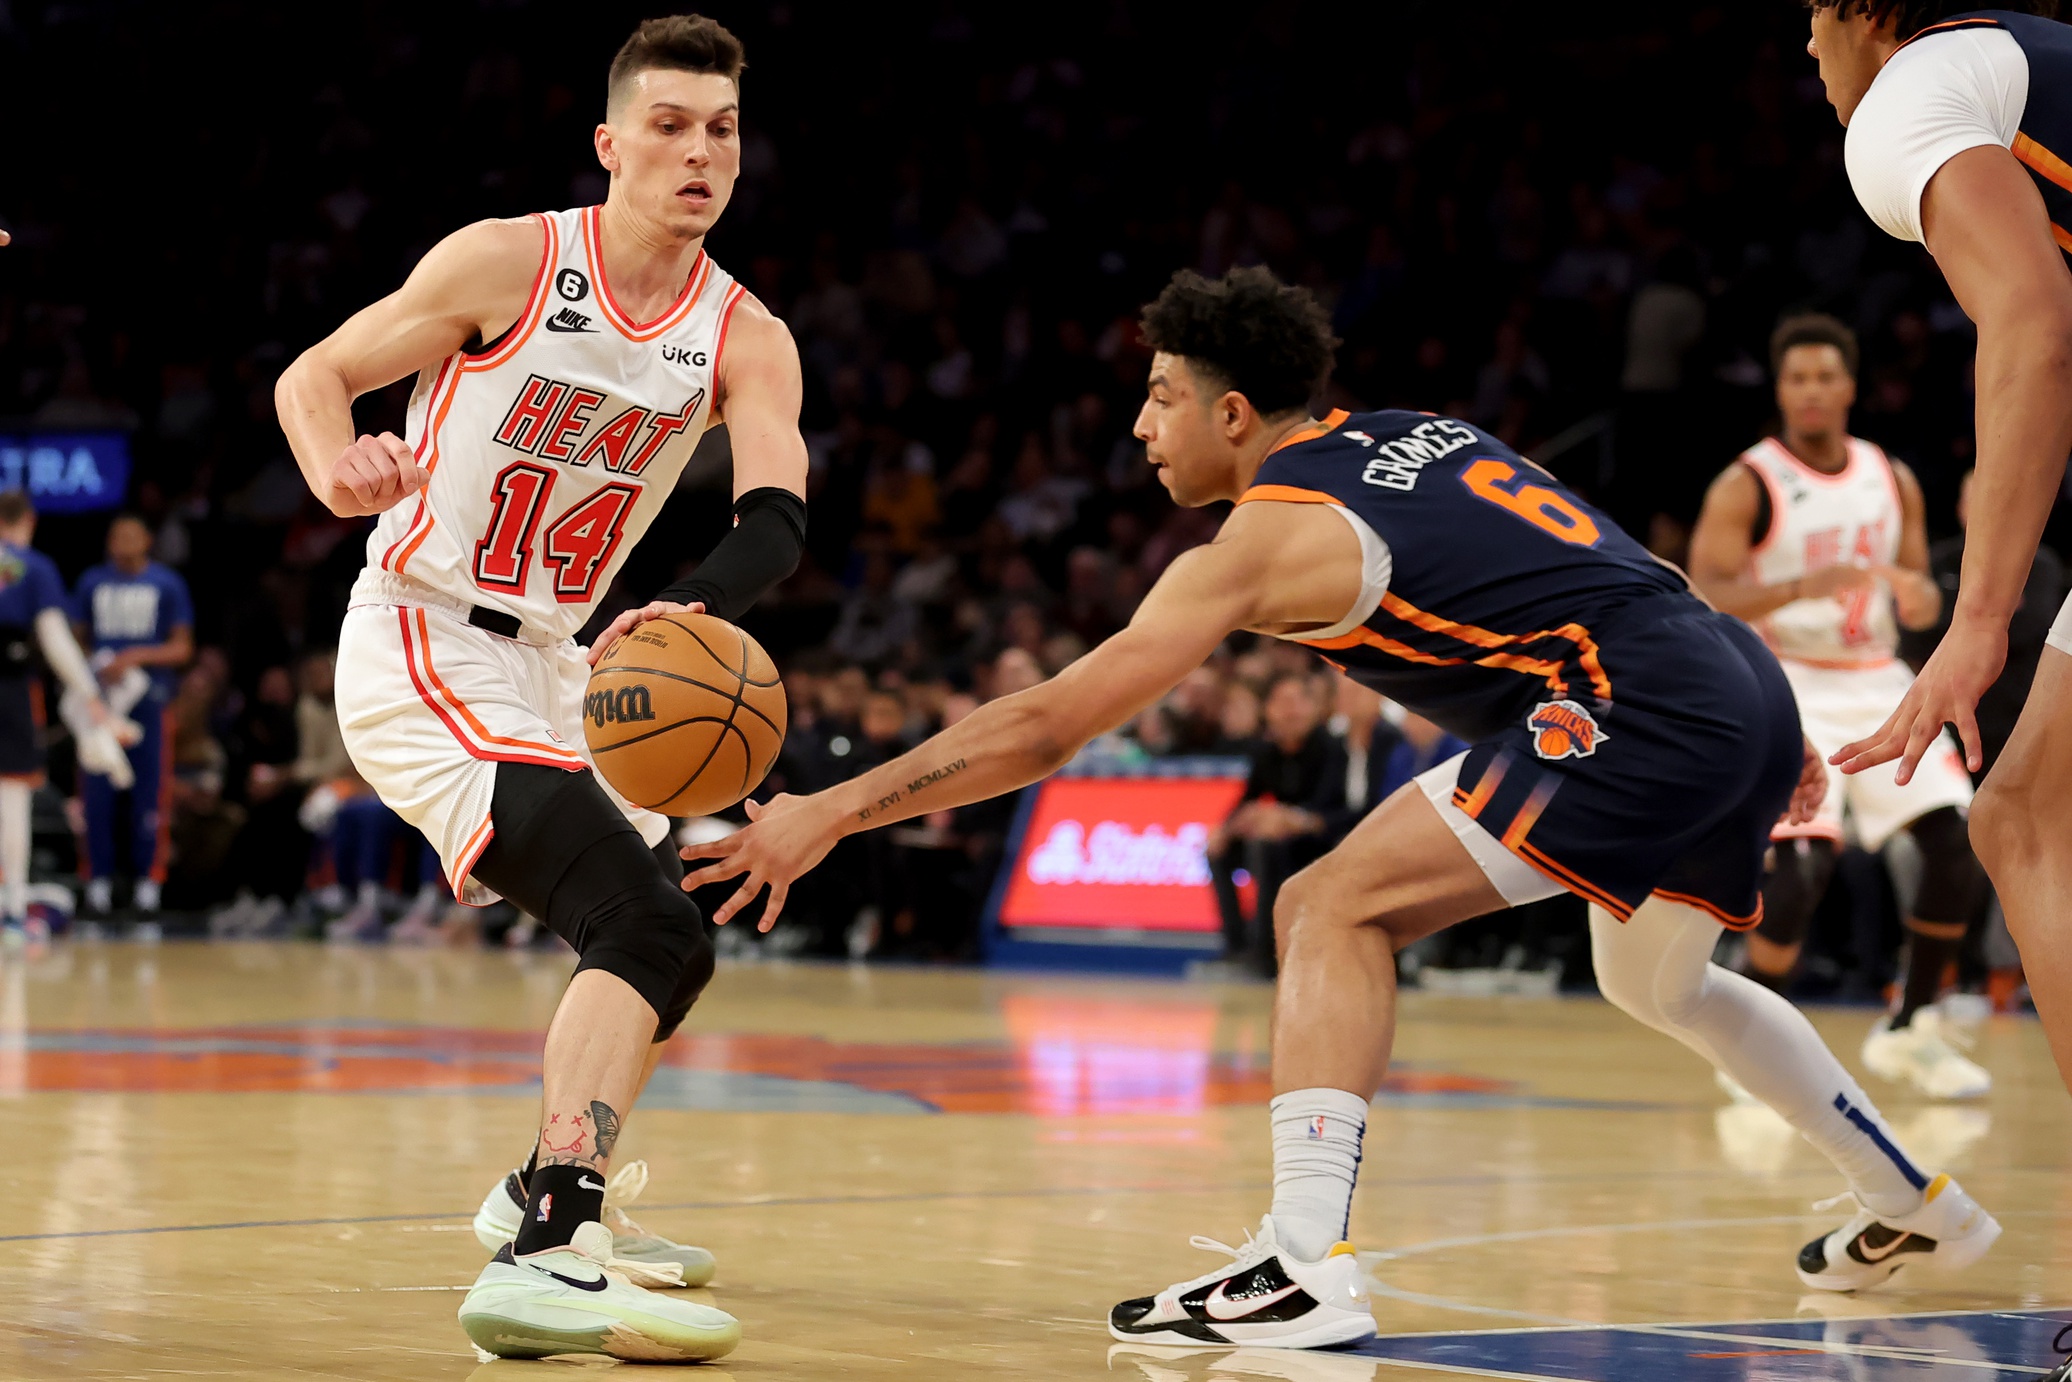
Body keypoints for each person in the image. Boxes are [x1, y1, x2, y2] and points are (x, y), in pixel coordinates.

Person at [684, 266, 2000, 1350]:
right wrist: (1758, 723)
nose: (1141, 430)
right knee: (1660, 984)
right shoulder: (1427, 430)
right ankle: (1915, 1200)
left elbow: (1047, 722)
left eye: (1158, 401)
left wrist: (829, 811)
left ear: (1237, 412)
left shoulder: (1264, 535)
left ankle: (1306, 1261)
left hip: (1637, 702)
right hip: (1721, 675)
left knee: (1326, 905)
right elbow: (1612, 556)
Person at [273, 15, 807, 1363]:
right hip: (425, 635)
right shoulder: (512, 260)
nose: (699, 153)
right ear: (611, 142)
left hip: (565, 664)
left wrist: (703, 605)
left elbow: (776, 516)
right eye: (672, 126)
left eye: (722, 130)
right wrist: (338, 465)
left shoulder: (746, 334)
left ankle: (541, 1190)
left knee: (670, 939)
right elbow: (317, 375)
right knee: (643, 921)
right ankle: (550, 1247)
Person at [1688, 313, 1988, 1098]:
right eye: (1797, 379)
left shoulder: (1891, 476)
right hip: (1787, 681)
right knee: (1800, 872)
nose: (1812, 391)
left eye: (1825, 377)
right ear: (1781, 390)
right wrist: (1794, 588)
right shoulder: (1747, 481)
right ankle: (1759, 1053)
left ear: (1850, 386)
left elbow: (1918, 600)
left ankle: (1912, 1024)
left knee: (1957, 844)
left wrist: (1921, 597)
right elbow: (1705, 591)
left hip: (1877, 677)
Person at [0, 492, 123, 938]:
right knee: (11, 798)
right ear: (27, 521)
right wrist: (89, 692)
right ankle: (13, 908)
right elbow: (54, 637)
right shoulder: (32, 567)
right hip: (9, 687)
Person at [73, 513, 194, 921]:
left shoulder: (166, 583)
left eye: (131, 535)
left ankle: (148, 886)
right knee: (97, 791)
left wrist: (136, 656)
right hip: (101, 703)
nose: (124, 541)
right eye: (116, 535)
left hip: (150, 701)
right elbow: (73, 638)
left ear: (147, 540)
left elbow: (182, 649)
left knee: (150, 792)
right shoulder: (92, 582)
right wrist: (96, 663)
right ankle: (98, 885)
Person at [1208, 672, 1346, 973]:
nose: (1290, 711)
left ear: (1314, 708)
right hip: (1278, 839)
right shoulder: (1266, 751)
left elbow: (1335, 808)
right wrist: (1226, 829)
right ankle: (1236, 946)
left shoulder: (1333, 748)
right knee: (1218, 851)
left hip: (1320, 842)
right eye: (1282, 703)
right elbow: (1247, 800)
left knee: (1265, 846)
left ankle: (1266, 951)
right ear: (1267, 711)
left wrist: (1290, 818)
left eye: (1298, 702)